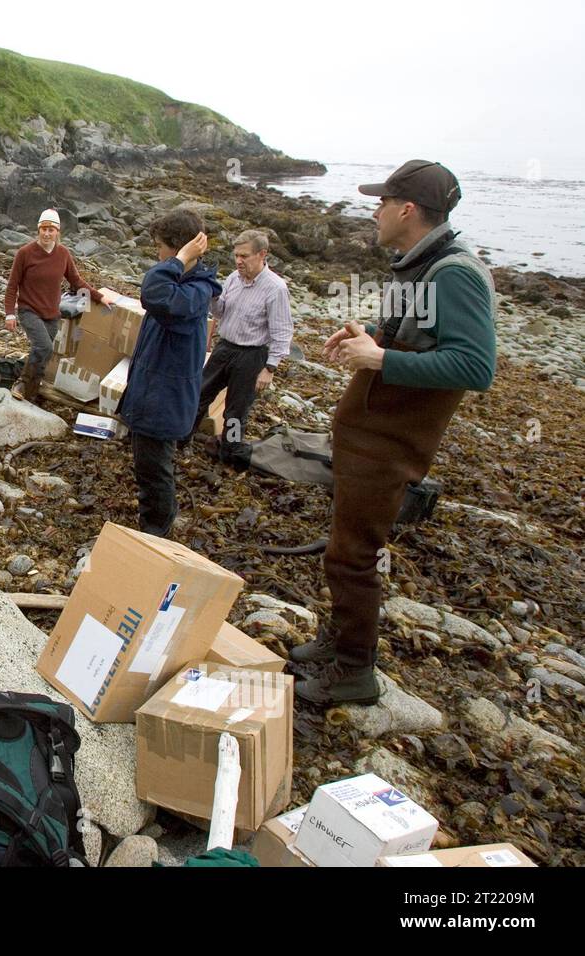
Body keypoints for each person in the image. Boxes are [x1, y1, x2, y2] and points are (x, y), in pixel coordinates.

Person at [290, 160, 497, 706]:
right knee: (343, 549)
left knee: (356, 555)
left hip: (391, 445)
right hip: (368, 439)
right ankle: (339, 641)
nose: (375, 210)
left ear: (408, 210)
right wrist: (371, 337)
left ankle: (355, 670)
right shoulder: (419, 265)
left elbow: (476, 367)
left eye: (382, 202)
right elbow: (417, 339)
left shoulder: (455, 272)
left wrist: (379, 357)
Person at [117, 210, 221, 537]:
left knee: (155, 472)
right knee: (148, 468)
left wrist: (179, 259)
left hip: (164, 402)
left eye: (161, 247)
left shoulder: (194, 292)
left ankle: (156, 532)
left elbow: (154, 292)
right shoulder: (183, 285)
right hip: (152, 396)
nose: (157, 255)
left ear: (177, 247)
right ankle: (155, 524)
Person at [191, 229, 292, 466]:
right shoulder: (233, 278)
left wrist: (270, 368)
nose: (238, 261)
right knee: (198, 394)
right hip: (225, 347)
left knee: (236, 412)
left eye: (244, 256)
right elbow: (220, 312)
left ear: (262, 254)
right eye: (236, 255)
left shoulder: (276, 288)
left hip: (252, 356)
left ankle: (231, 452)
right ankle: (182, 438)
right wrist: (213, 296)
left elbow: (282, 331)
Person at [3, 209, 114, 402]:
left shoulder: (63, 254)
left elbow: (76, 281)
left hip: (52, 314)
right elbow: (12, 286)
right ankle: (22, 382)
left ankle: (32, 391)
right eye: (43, 229)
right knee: (43, 346)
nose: (47, 233)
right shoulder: (25, 253)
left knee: (43, 353)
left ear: (57, 232)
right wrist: (9, 314)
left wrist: (99, 297)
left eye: (51, 230)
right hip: (29, 310)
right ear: (38, 229)